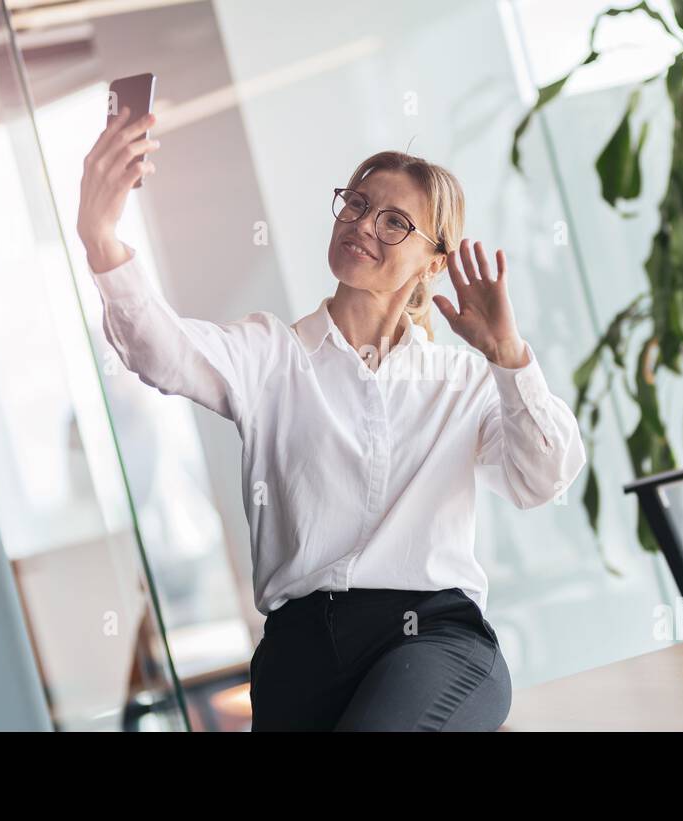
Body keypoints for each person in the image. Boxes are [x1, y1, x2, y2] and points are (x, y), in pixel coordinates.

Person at [77, 109, 587, 731]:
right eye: (358, 204)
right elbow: (161, 349)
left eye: (395, 222)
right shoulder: (271, 356)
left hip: (428, 639)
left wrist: (508, 358)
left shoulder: (463, 382)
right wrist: (102, 237)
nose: (364, 224)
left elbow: (542, 479)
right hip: (300, 655)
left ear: (433, 264)